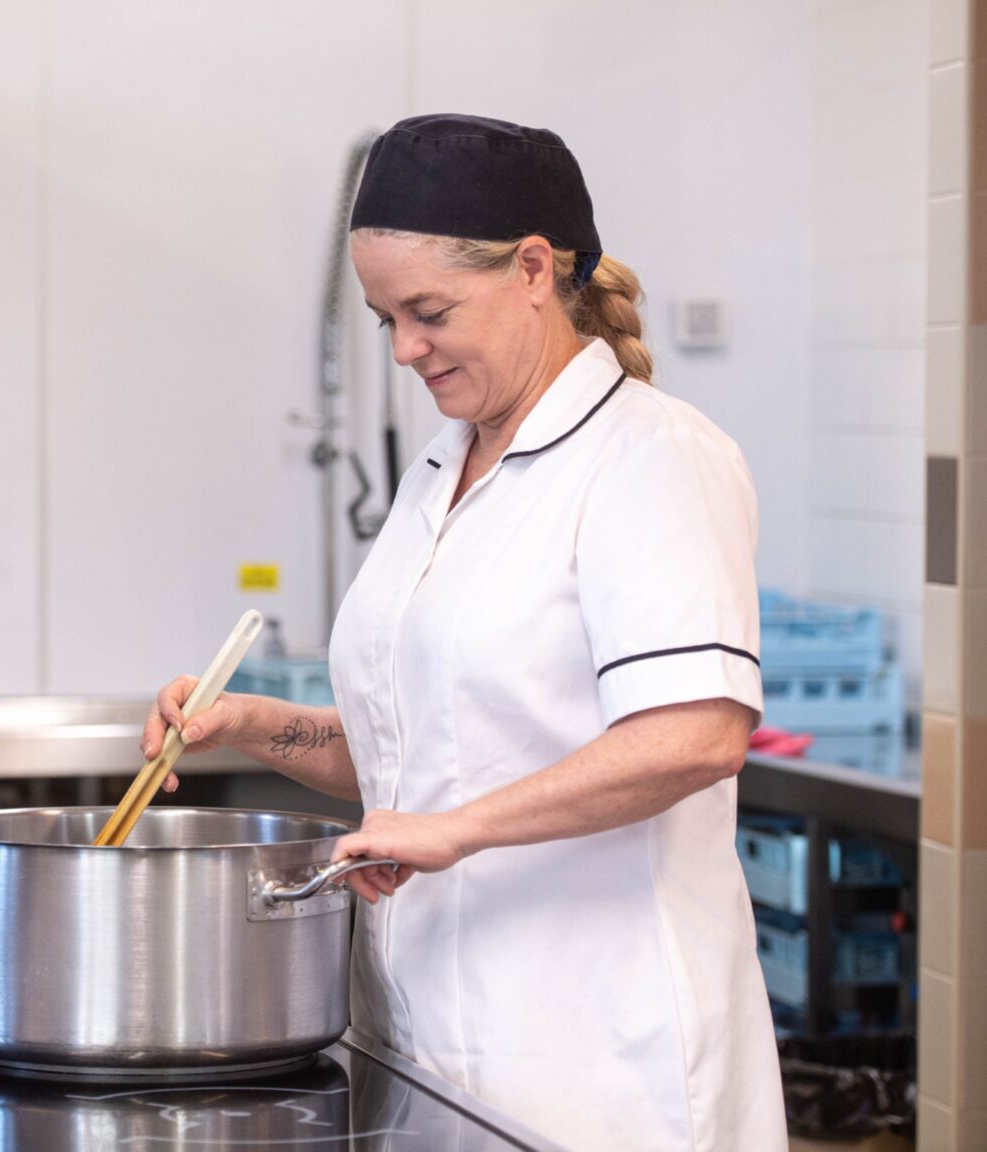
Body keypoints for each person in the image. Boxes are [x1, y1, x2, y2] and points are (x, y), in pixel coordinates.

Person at [142, 114, 785, 1152]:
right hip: (427, 1053)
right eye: (384, 318)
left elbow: (693, 736)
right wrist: (254, 725)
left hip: (597, 1068)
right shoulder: (443, 471)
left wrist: (457, 831)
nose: (403, 349)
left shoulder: (652, 459)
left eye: (427, 311)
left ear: (533, 268)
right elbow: (423, 755)